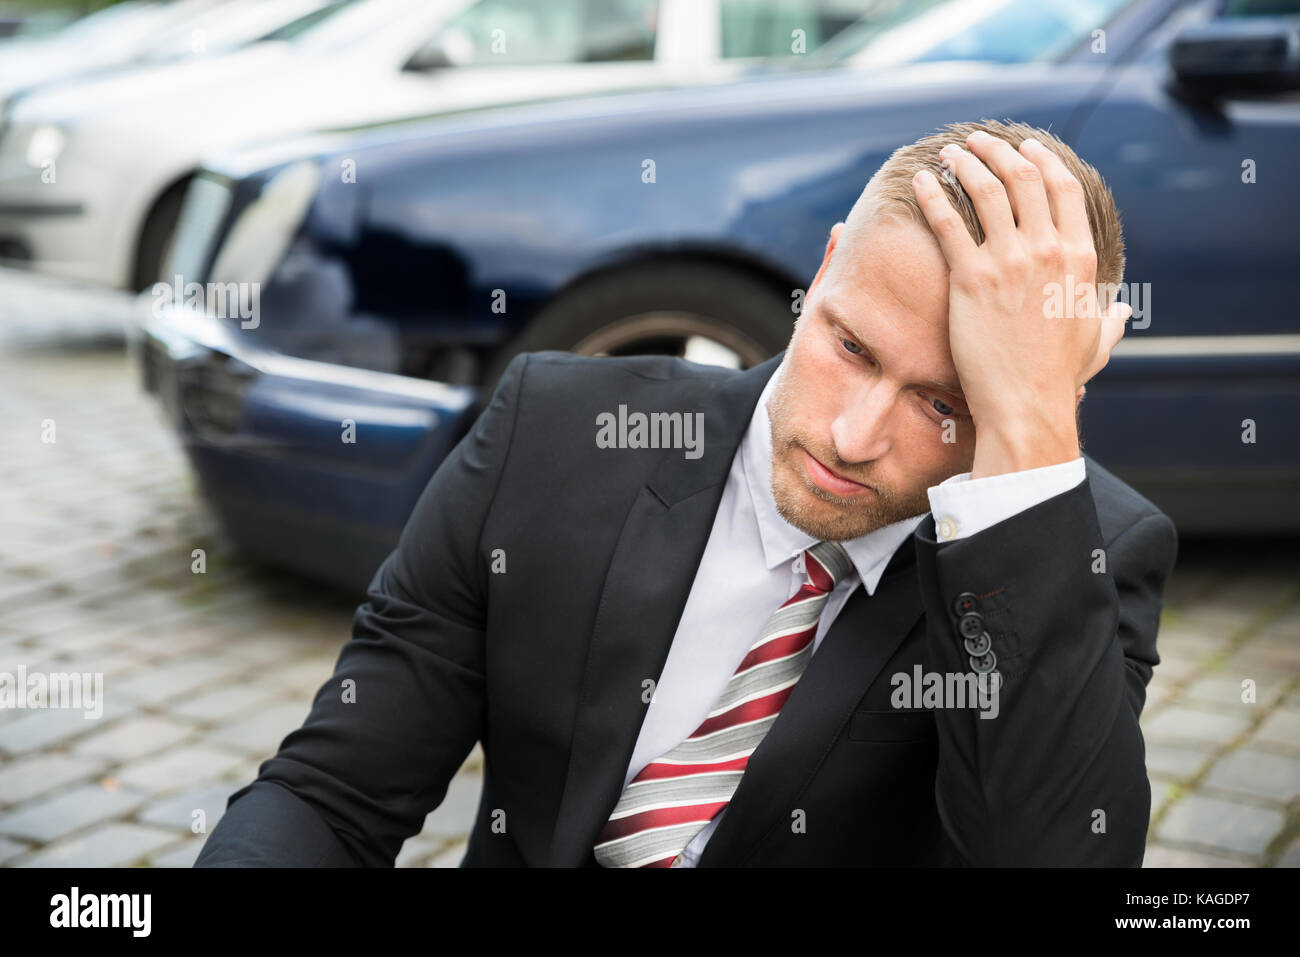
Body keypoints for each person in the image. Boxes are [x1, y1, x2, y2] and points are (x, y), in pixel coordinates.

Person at [195, 119, 1176, 867]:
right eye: (849, 346)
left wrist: (1031, 437)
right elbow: (333, 794)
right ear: (826, 267)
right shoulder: (554, 430)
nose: (853, 435)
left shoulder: (1088, 553)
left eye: (943, 404)